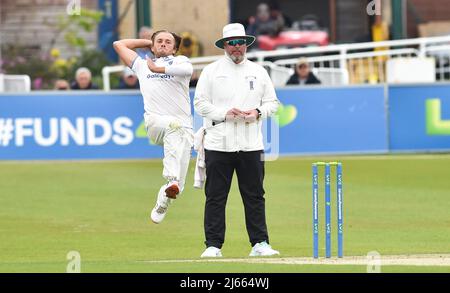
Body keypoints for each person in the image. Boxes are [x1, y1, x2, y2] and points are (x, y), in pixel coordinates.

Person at [194, 23, 280, 258]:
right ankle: (213, 245)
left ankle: (260, 243)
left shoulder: (258, 71)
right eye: (231, 43)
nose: (236, 47)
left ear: (246, 44)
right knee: (216, 195)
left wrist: (258, 113)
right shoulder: (211, 71)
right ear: (224, 45)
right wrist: (224, 114)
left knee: (254, 195)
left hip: (251, 143)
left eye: (240, 42)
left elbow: (273, 103)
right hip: (218, 142)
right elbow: (199, 104)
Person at [113, 30, 194, 224]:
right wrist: (146, 43)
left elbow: (188, 72)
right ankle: (171, 178)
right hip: (155, 123)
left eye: (168, 42)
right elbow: (119, 45)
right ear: (153, 44)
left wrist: (157, 69)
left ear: (175, 48)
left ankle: (163, 201)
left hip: (184, 129)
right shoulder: (142, 66)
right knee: (172, 128)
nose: (163, 44)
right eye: (159, 41)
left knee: (179, 187)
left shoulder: (181, 61)